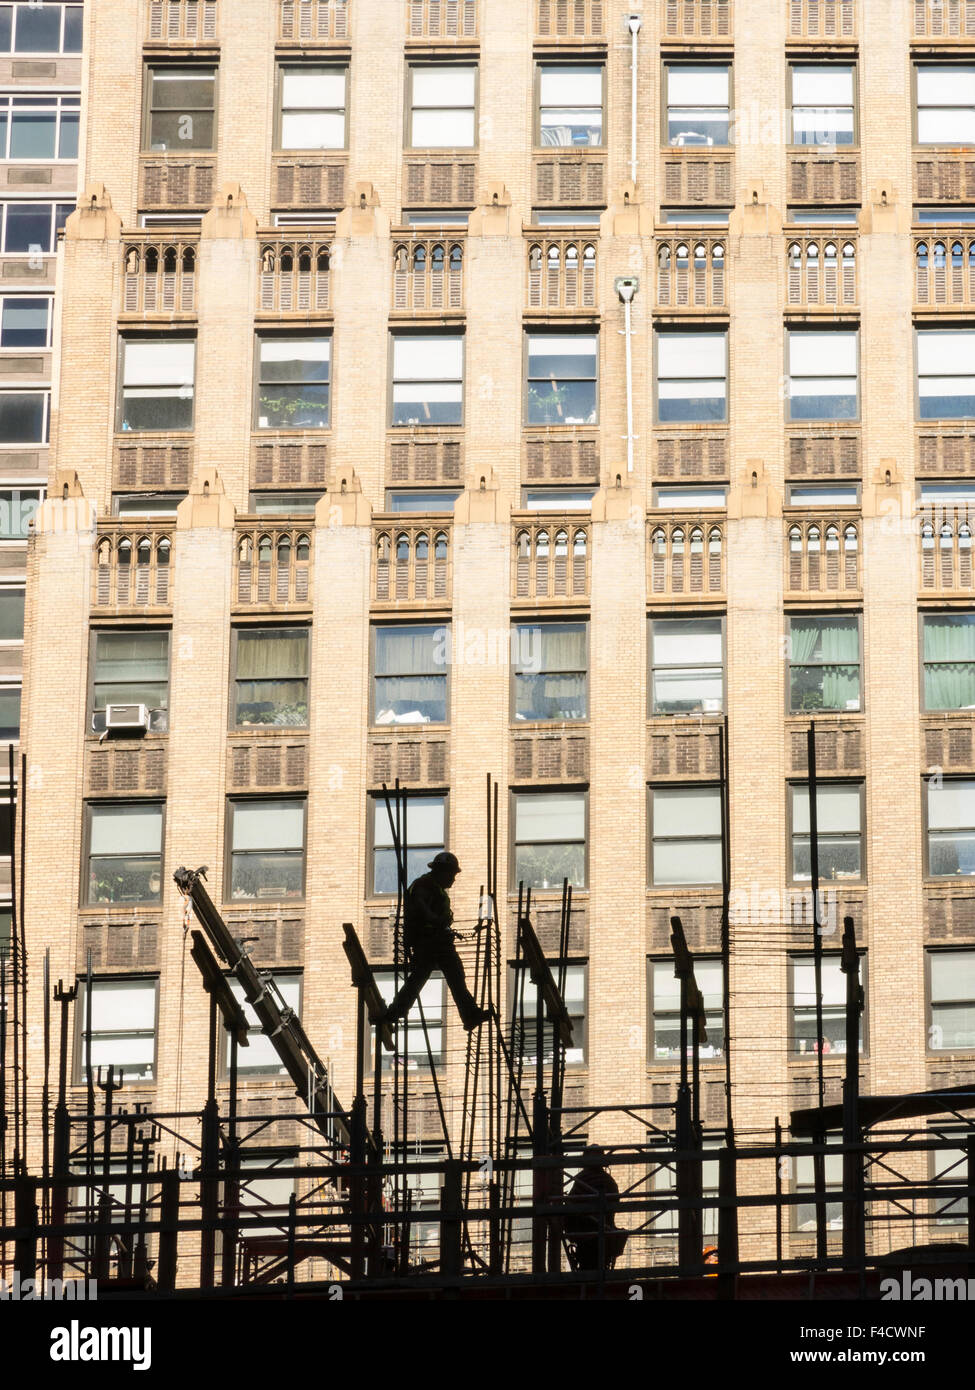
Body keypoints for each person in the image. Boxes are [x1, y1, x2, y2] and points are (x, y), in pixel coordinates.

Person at [380, 852, 491, 1033]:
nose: (453, 879)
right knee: (439, 977)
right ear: (442, 872)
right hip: (430, 942)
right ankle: (469, 1015)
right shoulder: (424, 886)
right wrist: (438, 921)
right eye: (452, 875)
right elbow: (422, 909)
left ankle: (396, 1012)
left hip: (434, 941)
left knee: (431, 978)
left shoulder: (431, 887)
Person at [564, 1145, 628, 1272]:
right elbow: (613, 1206)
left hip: (585, 1236)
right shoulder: (609, 1181)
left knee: (587, 1268)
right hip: (606, 1236)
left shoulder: (582, 1178)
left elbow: (572, 1203)